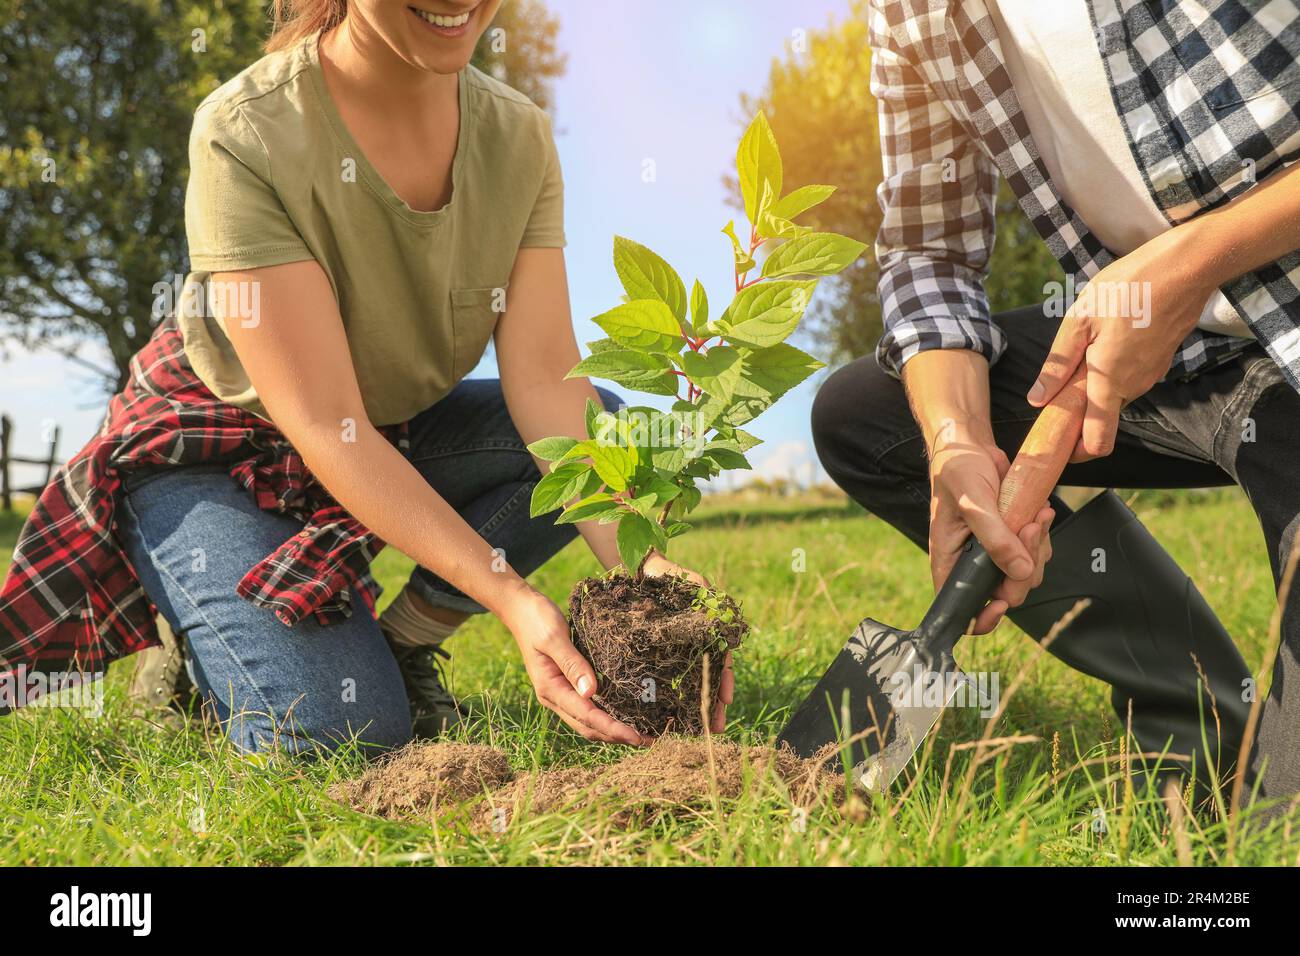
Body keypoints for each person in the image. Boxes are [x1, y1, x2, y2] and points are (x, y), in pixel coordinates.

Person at [0, 0, 732, 754]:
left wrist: (646, 563)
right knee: (339, 735)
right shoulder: (246, 131)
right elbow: (322, 419)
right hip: (216, 453)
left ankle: (405, 641)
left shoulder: (517, 137)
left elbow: (547, 378)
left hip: (381, 435)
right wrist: (511, 597)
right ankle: (184, 625)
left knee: (589, 421)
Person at [813, 0, 1300, 800]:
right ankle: (1201, 725)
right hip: (1160, 353)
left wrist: (1199, 258)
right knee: (869, 416)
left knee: (1281, 838)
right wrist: (955, 440)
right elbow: (929, 253)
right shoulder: (910, 14)